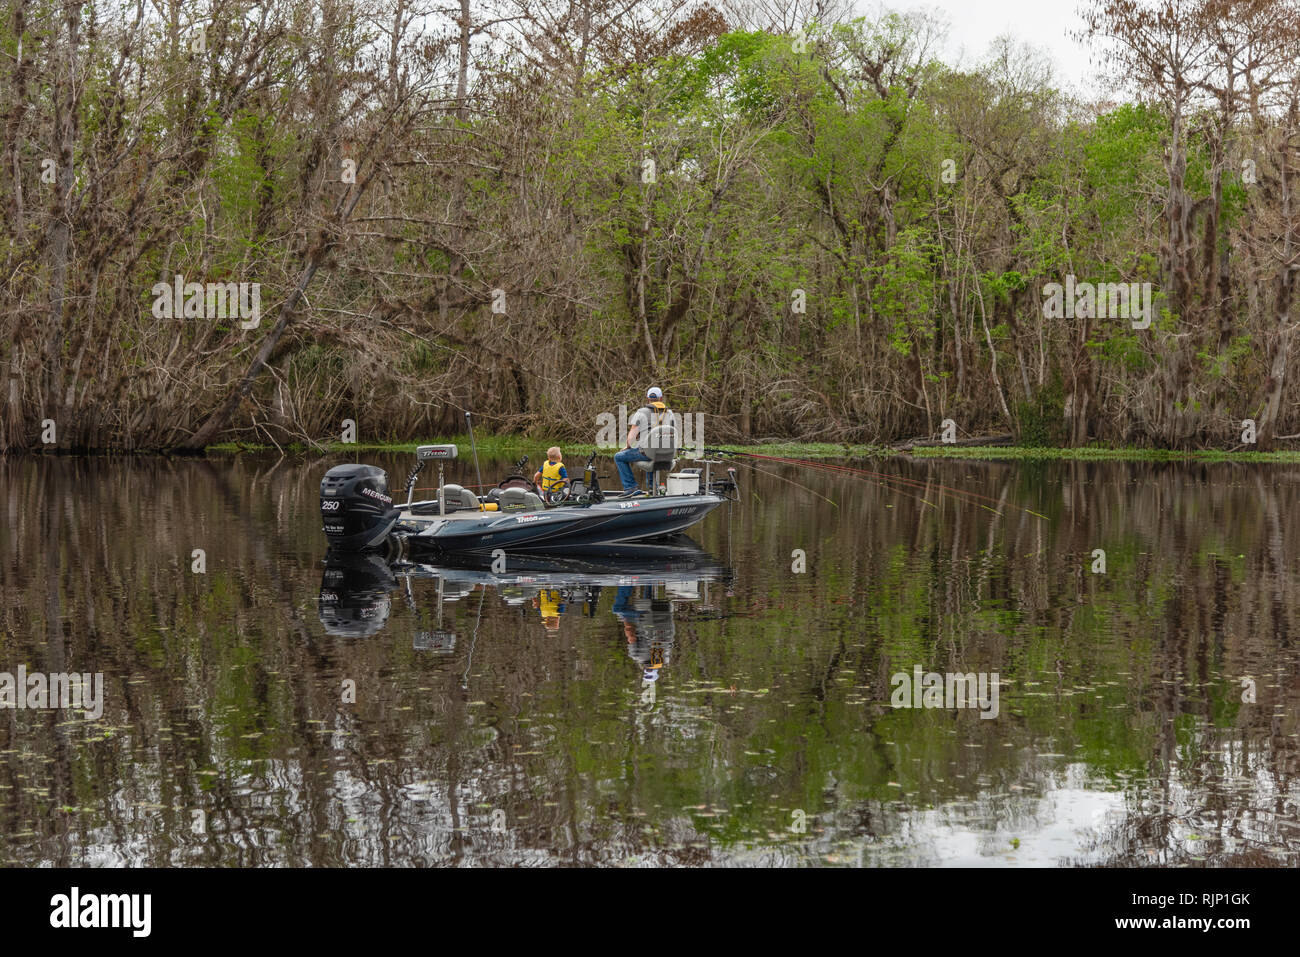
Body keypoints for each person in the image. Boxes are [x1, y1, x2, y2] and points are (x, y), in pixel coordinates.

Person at [615, 387, 674, 494]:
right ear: (660, 398)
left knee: (619, 457)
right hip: (667, 453)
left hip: (649, 454)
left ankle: (630, 487)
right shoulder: (670, 413)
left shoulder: (641, 412)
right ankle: (652, 488)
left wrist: (627, 446)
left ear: (648, 398)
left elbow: (632, 435)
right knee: (651, 450)